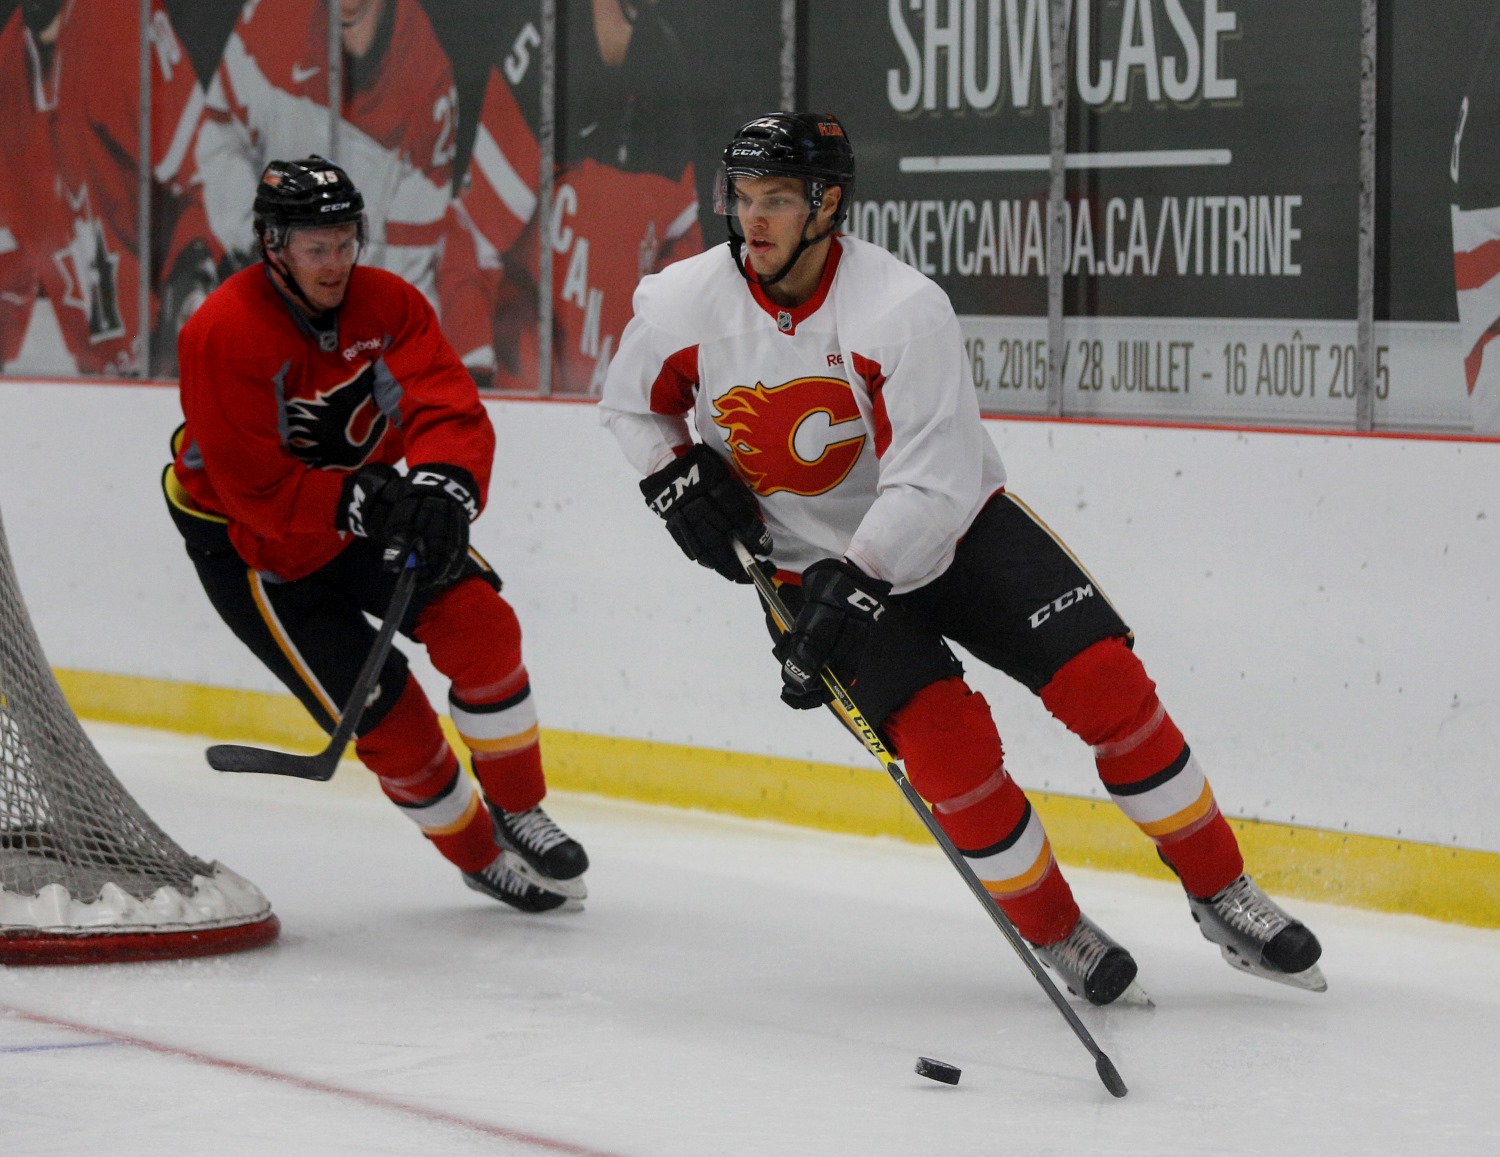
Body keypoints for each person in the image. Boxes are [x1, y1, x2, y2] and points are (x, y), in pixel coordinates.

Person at [599, 112, 1325, 1005]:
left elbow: (934, 483)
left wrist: (857, 582)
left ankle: (1223, 890)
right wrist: (671, 479)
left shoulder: (903, 308)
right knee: (953, 754)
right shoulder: (681, 302)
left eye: (778, 200)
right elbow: (632, 405)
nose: (752, 221)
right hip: (802, 565)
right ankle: (1061, 932)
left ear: (828, 204)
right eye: (743, 198)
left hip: (958, 534)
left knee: (1107, 684)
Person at [164, 156, 588, 913]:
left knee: (482, 626)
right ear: (275, 246)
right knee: (387, 715)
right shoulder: (223, 332)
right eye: (315, 247)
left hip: (369, 507)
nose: (336, 262)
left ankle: (518, 806)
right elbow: (254, 490)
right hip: (256, 551)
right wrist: (362, 498)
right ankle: (477, 853)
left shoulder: (387, 302)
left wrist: (443, 485)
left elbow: (442, 404)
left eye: (345, 240)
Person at [441, 0, 702, 394]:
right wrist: (478, 386)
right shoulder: (544, 47)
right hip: (525, 403)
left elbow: (682, 251)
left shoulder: (666, 59)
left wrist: (676, 381)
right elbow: (470, 241)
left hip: (616, 407)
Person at [190, 0, 456, 307]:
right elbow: (219, 141)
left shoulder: (429, 85)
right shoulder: (271, 19)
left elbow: (410, 287)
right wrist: (255, 249)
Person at [0, 0, 216, 377]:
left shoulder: (119, 21)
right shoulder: (10, 59)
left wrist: (192, 285)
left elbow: (206, 177)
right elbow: (13, 241)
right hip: (103, 374)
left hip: (178, 356)